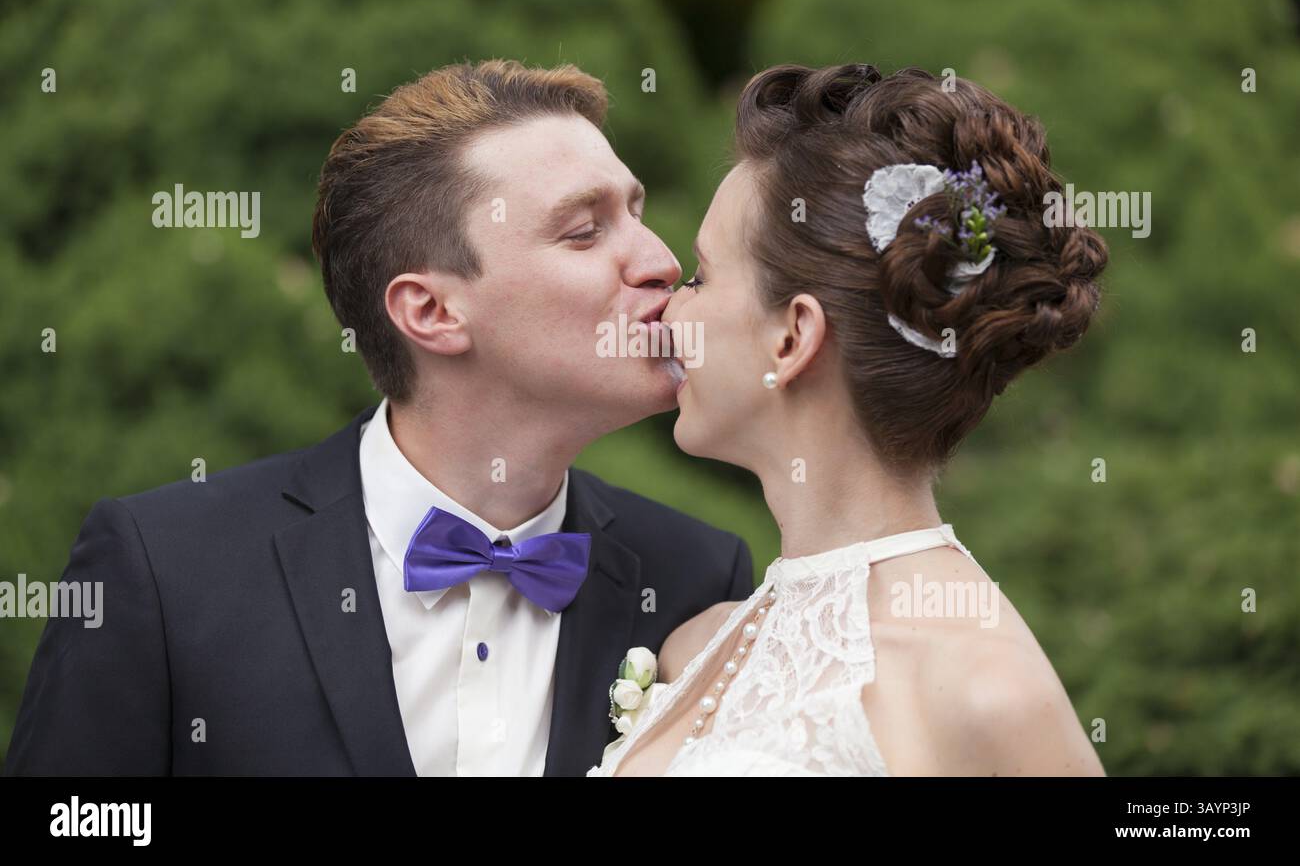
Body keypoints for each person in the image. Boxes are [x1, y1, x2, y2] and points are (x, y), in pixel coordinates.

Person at [5, 60, 753, 777]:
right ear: (429, 311)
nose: (659, 260)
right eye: (584, 231)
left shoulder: (696, 580)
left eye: (637, 212)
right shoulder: (165, 570)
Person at [591, 63, 1109, 776]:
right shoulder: (700, 644)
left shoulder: (986, 691)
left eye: (704, 277)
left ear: (793, 338)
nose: (670, 305)